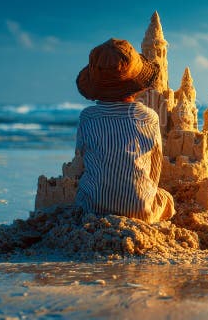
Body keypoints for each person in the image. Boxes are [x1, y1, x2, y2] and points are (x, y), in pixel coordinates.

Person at [73, 38, 175, 223]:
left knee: (85, 187)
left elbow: (81, 157)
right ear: (137, 83)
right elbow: (154, 170)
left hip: (92, 209)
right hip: (140, 211)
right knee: (166, 199)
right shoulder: (149, 117)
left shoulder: (88, 117)